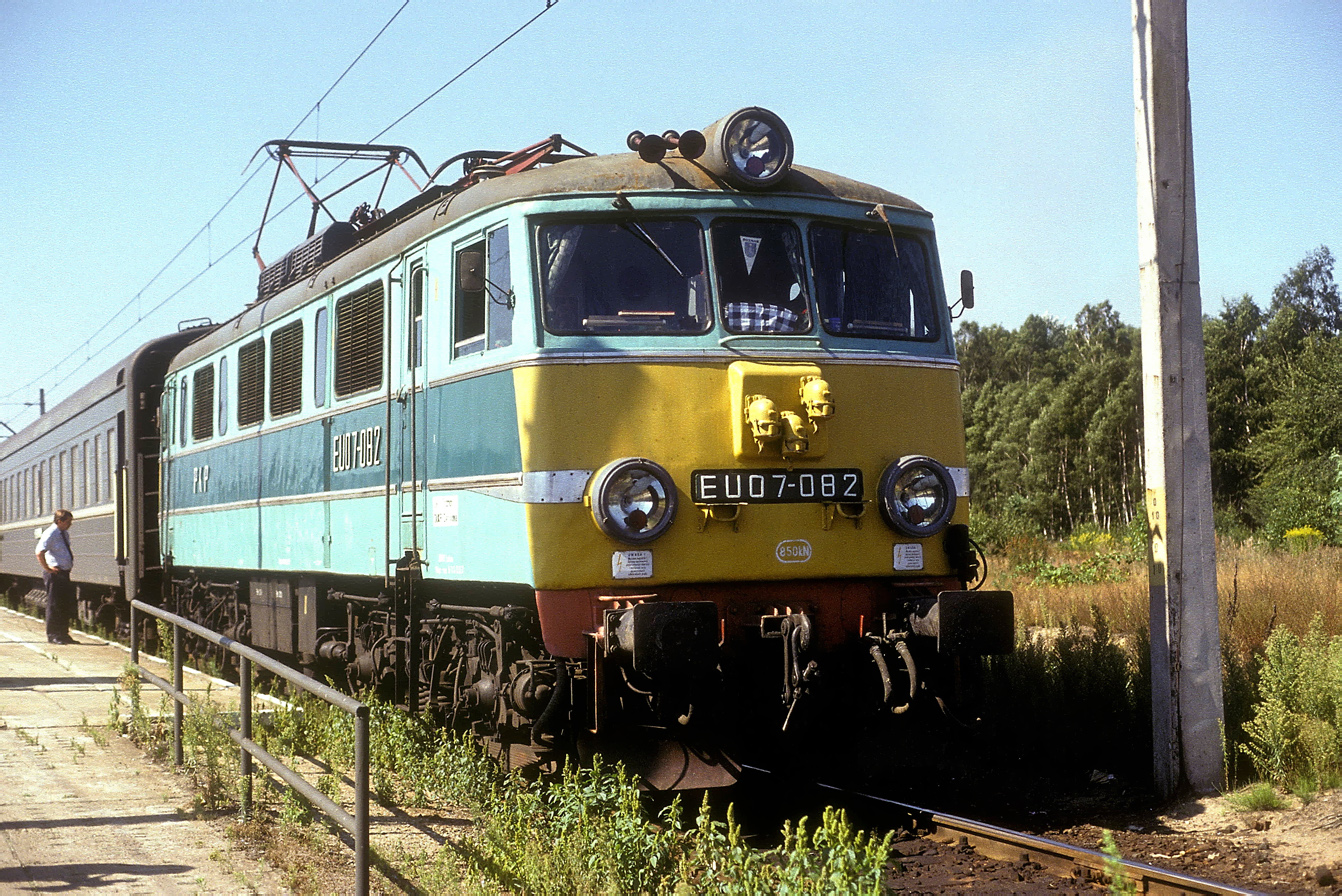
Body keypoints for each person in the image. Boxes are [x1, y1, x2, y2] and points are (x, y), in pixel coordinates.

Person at [36, 509, 76, 645]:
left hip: (64, 573)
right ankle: (53, 635)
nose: (70, 524)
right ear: (59, 521)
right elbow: (39, 552)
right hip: (55, 574)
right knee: (54, 605)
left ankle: (63, 634)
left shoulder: (64, 533)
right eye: (68, 522)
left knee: (64, 604)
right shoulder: (51, 533)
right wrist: (47, 569)